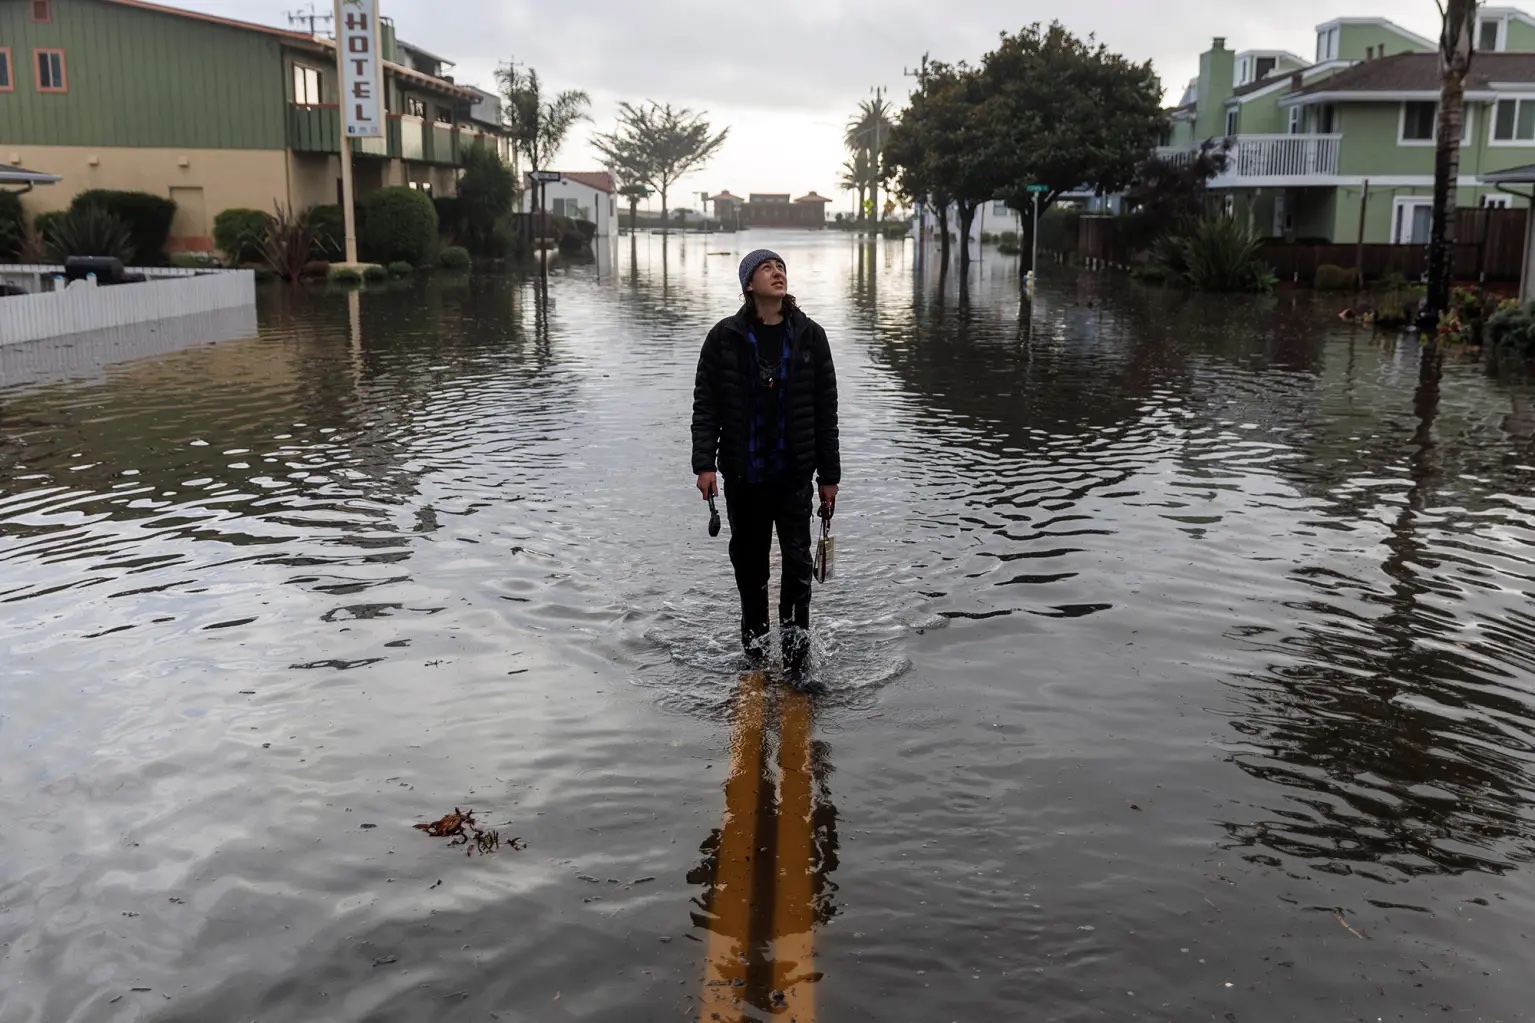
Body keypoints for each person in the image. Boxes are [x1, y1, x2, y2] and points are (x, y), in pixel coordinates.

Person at [691, 249, 840, 687]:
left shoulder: (811, 336)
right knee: (750, 568)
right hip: (744, 476)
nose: (777, 273)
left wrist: (829, 477)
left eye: (781, 267)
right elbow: (706, 405)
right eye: (766, 268)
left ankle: (796, 662)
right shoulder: (724, 338)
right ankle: (755, 658)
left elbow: (826, 411)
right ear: (749, 284)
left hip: (794, 475)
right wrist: (704, 464)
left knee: (797, 567)